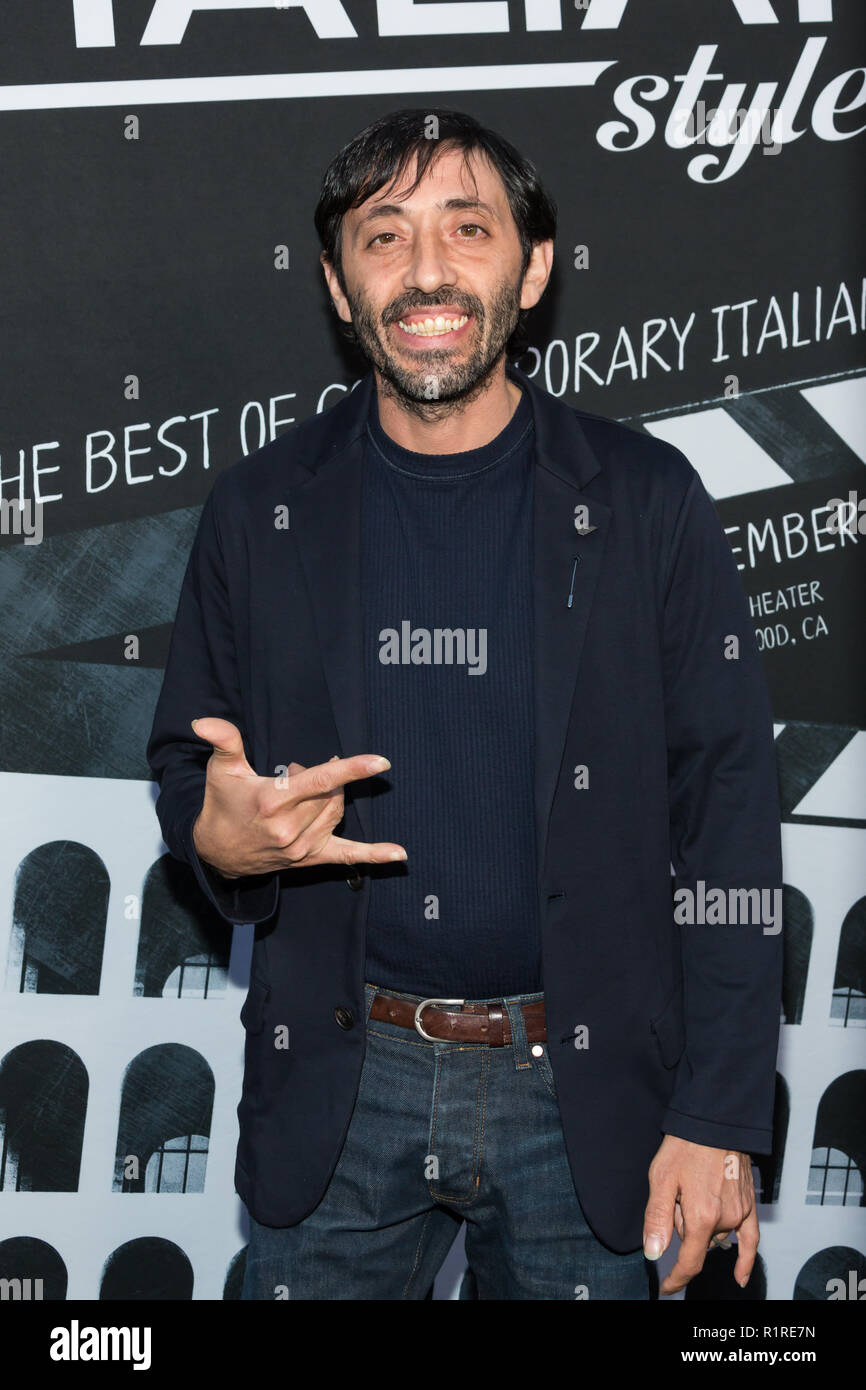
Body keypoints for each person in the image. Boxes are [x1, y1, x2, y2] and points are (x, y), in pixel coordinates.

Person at [146, 107, 784, 1301]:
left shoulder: (647, 498)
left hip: (591, 1094)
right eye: (382, 236)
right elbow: (194, 764)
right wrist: (219, 838)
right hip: (340, 1088)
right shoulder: (260, 506)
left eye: (466, 229)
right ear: (339, 286)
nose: (426, 271)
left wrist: (717, 1111)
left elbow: (730, 808)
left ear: (532, 268)